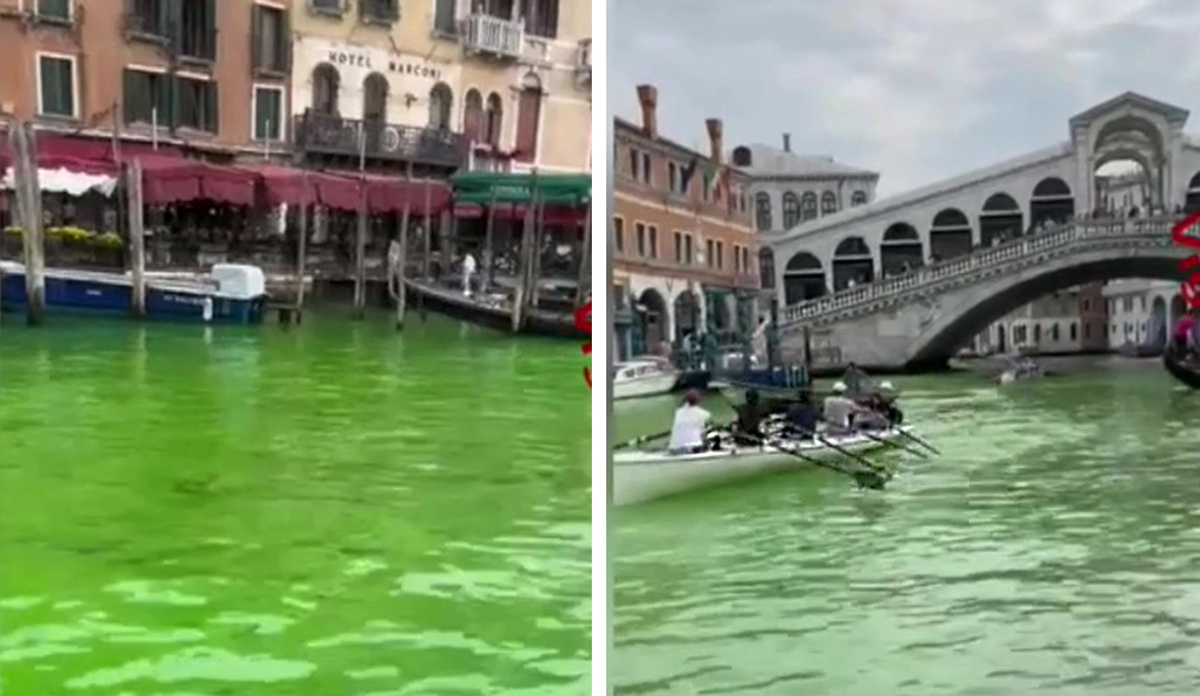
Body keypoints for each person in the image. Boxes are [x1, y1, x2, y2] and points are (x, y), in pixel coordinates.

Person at [667, 390, 711, 455]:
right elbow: (704, 430)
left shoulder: (678, 412)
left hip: (674, 449)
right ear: (698, 401)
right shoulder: (704, 414)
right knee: (707, 439)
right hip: (693, 448)